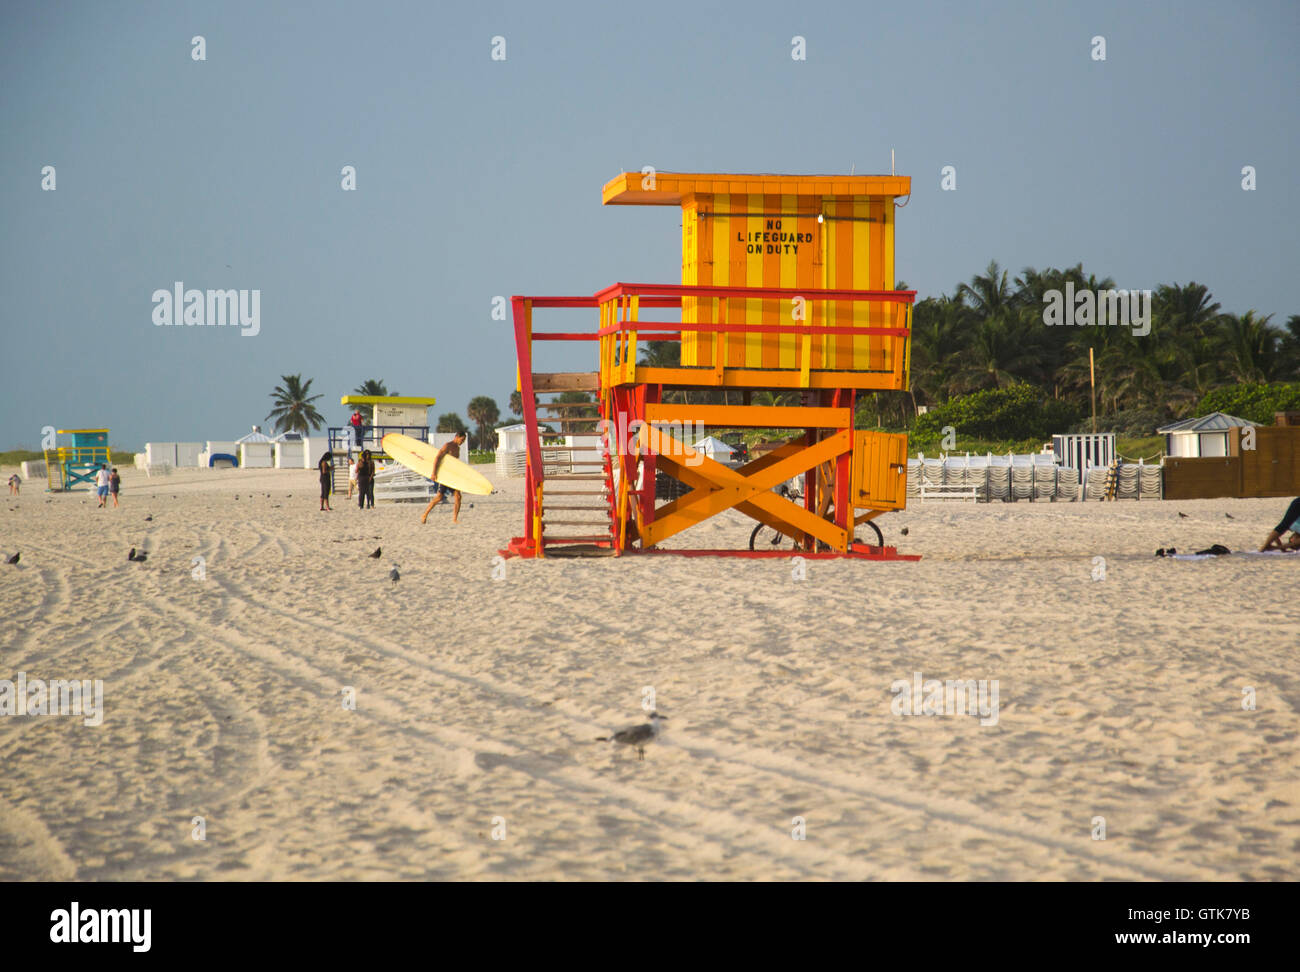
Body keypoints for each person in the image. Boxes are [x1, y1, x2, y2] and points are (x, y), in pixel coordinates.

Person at [421, 431, 467, 524]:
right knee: (439, 497)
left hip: (453, 476)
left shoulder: (458, 448)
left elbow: (455, 463)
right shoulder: (447, 446)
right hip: (445, 476)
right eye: (462, 440)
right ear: (457, 437)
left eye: (464, 441)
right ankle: (425, 515)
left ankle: (455, 519)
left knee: (458, 496)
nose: (462, 442)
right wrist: (434, 473)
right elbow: (437, 457)